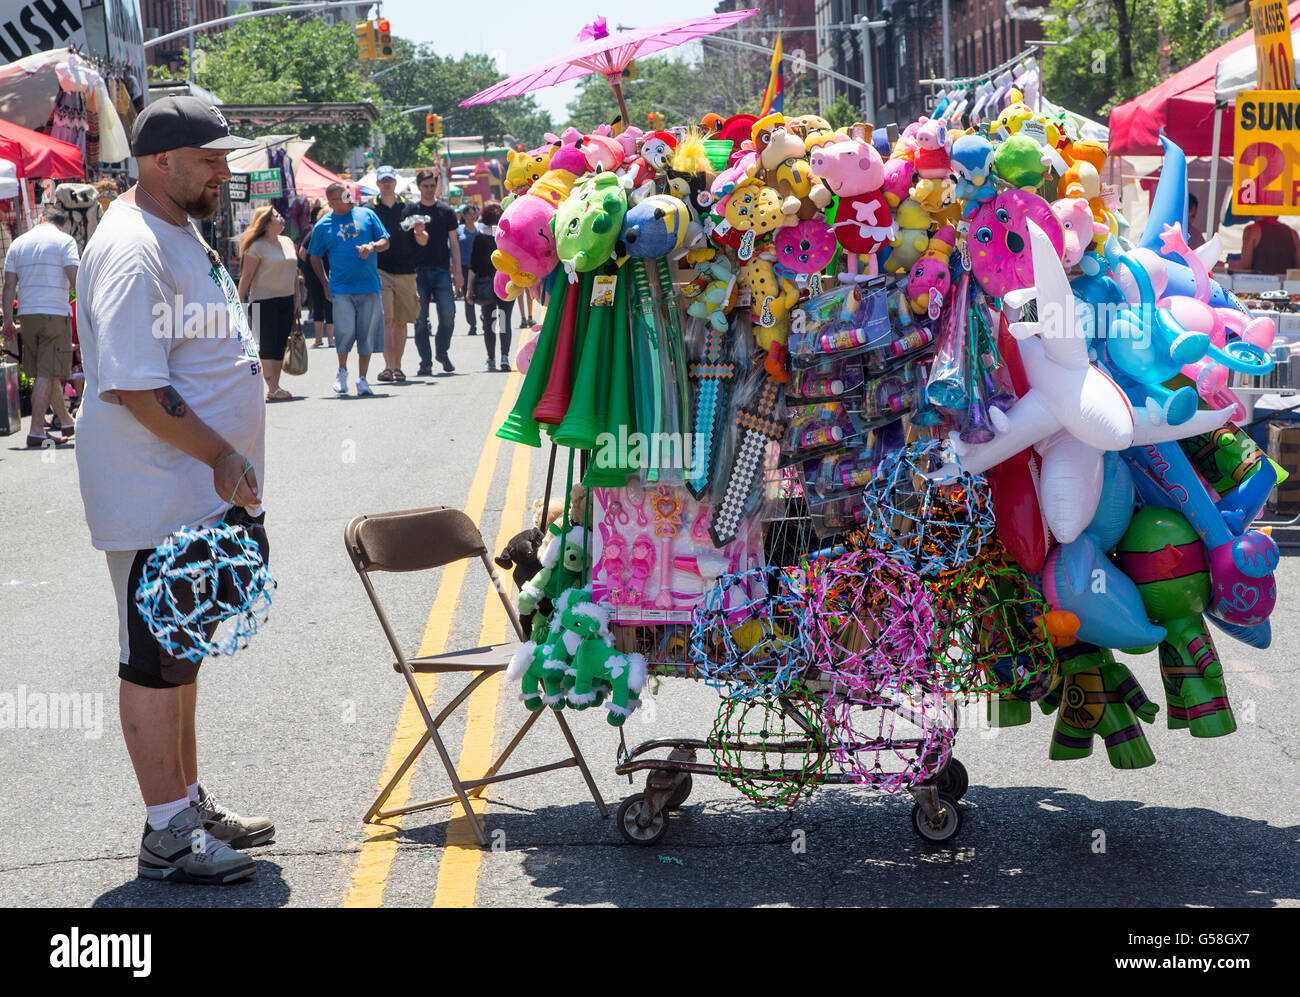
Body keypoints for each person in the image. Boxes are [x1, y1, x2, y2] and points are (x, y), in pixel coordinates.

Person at [74, 95, 273, 886]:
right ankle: (166, 831)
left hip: (196, 494)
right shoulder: (130, 245)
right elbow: (134, 387)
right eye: (211, 160)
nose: (225, 174)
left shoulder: (176, 225)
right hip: (157, 494)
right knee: (154, 659)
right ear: (162, 162)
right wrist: (223, 455)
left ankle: (185, 801)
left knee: (182, 651)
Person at [2, 205, 79, 447]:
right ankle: (36, 430)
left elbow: (8, 285)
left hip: (27, 315)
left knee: (46, 372)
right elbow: (74, 274)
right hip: (54, 313)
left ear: (41, 219)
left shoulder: (18, 243)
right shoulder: (65, 241)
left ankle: (66, 421)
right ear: (61, 225)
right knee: (49, 373)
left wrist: (7, 320)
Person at [308, 182, 390, 396]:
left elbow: (386, 241)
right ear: (332, 201)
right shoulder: (323, 225)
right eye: (343, 196)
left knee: (367, 333)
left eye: (348, 193)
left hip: (369, 285)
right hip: (341, 287)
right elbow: (313, 255)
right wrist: (325, 283)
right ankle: (342, 371)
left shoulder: (367, 215)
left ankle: (363, 379)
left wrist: (372, 246)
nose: (349, 197)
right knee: (344, 331)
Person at [237, 205, 300, 401]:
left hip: (286, 299)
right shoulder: (256, 247)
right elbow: (246, 277)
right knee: (266, 345)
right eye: (276, 215)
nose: (281, 218)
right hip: (262, 302)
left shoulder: (288, 241)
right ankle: (272, 387)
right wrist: (237, 301)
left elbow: (294, 274)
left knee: (280, 344)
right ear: (265, 223)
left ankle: (275, 386)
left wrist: (297, 299)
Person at [408, 168, 462, 375]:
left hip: (441, 270)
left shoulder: (446, 211)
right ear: (419, 186)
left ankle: (442, 351)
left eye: (432, 185)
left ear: (436, 185)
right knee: (420, 320)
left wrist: (458, 273)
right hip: (417, 271)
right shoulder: (412, 210)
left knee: (448, 314)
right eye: (425, 186)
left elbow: (454, 243)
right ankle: (426, 361)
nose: (429, 189)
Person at [369, 165, 419, 382]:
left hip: (407, 270)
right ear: (378, 183)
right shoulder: (370, 209)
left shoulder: (409, 206)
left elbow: (421, 241)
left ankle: (398, 366)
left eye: (390, 179)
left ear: (395, 182)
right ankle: (388, 367)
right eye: (383, 180)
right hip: (381, 269)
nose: (387, 183)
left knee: (401, 321)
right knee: (386, 319)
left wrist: (421, 233)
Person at [466, 201, 512, 371]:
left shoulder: (480, 236)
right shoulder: (506, 235)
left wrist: (469, 289)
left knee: (489, 322)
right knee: (504, 319)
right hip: (506, 283)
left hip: (485, 284)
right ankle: (505, 357)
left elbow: (474, 266)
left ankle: (491, 358)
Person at [299, 199, 333, 348]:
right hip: (328, 271)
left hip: (314, 272)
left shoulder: (314, 232)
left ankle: (319, 338)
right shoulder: (324, 232)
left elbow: (302, 252)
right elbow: (302, 252)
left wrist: (308, 267)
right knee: (330, 304)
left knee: (318, 304)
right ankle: (331, 339)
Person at [1231, 215, 1300, 275]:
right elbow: (1297, 270)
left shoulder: (1252, 230)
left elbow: (1245, 267)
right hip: (1286, 287)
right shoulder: (1293, 233)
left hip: (1258, 286)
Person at [456, 203, 479, 335]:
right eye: (469, 214)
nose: (472, 216)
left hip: (479, 266)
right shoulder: (459, 230)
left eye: (473, 214)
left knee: (482, 292)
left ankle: (484, 316)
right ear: (463, 216)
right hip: (464, 267)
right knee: (468, 296)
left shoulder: (481, 228)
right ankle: (472, 324)